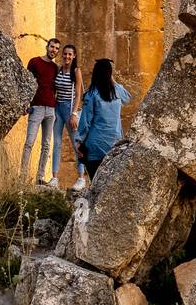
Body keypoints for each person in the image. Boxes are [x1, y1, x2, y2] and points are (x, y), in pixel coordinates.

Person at [74, 58, 131, 180]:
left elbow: (85, 122)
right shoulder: (117, 91)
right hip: (114, 145)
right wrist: (112, 79)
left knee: (95, 184)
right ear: (110, 73)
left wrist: (78, 141)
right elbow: (127, 97)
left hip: (95, 146)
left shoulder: (91, 94)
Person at [21, 38, 60, 184]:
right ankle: (23, 177)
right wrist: (25, 103)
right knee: (29, 142)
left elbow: (56, 89)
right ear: (47, 46)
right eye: (52, 47)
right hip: (36, 107)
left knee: (46, 145)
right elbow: (26, 83)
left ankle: (40, 177)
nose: (54, 50)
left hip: (51, 109)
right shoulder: (34, 62)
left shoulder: (56, 68)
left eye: (56, 48)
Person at [52, 44, 87, 191]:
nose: (67, 57)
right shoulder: (59, 70)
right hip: (58, 108)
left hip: (70, 109)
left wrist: (74, 114)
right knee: (57, 143)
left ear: (74, 56)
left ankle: (81, 178)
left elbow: (78, 94)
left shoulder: (76, 71)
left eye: (70, 54)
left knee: (76, 145)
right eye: (65, 54)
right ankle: (54, 178)